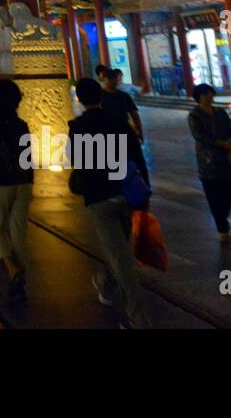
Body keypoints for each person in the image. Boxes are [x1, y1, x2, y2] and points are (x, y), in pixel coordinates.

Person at [69, 77, 149, 327]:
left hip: (99, 197)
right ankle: (104, 282)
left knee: (121, 258)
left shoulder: (78, 127)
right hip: (126, 193)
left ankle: (138, 318)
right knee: (119, 250)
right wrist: (144, 193)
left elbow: (78, 161)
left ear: (80, 99)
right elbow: (138, 159)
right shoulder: (119, 124)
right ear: (100, 97)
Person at [0, 80, 33, 299]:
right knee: (19, 229)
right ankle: (23, 272)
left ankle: (13, 269)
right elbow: (27, 154)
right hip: (23, 182)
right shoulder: (21, 124)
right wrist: (30, 178)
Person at [187, 82, 231, 242]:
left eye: (210, 93)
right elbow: (199, 136)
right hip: (207, 161)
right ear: (199, 97)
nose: (209, 96)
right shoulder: (194, 115)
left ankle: (221, 216)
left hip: (226, 158)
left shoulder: (220, 112)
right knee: (213, 194)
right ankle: (222, 228)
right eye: (205, 94)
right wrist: (221, 143)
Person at [101, 68, 143, 141]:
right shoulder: (99, 96)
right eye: (110, 78)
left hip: (122, 130)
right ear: (104, 79)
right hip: (107, 132)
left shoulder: (124, 96)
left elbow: (134, 115)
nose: (113, 80)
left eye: (114, 78)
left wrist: (139, 131)